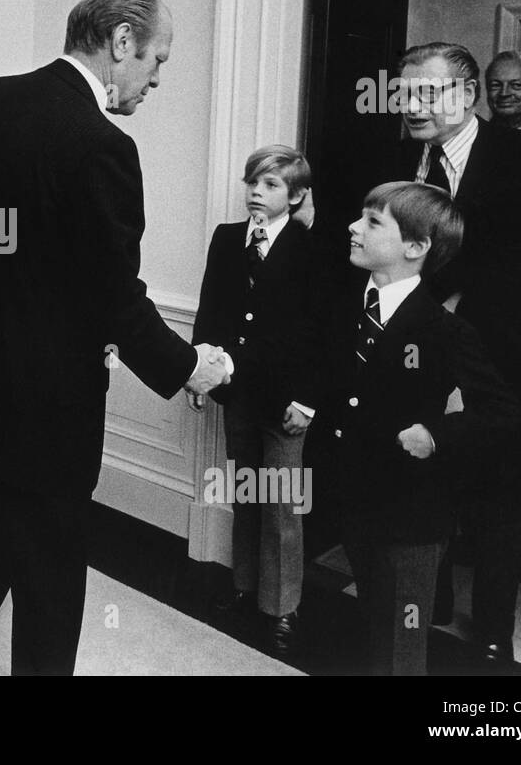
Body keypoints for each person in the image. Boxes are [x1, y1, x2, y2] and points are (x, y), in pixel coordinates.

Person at [0, 0, 231, 676]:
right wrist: (187, 365)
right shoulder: (102, 144)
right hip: (52, 410)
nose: (156, 80)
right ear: (120, 42)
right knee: (52, 591)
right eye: (157, 61)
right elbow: (113, 295)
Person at [392, 41, 521, 665]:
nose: (411, 105)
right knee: (422, 475)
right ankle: (427, 606)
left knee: (498, 496)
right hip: (414, 356)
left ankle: (493, 629)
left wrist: (465, 313)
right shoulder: (398, 159)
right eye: (405, 92)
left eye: (428, 93)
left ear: (466, 94)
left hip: (502, 358)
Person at [316, 182, 519, 675]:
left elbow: (503, 415)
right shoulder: (345, 306)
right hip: (355, 504)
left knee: (401, 647)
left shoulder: (444, 330)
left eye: (372, 222)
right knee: (372, 620)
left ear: (416, 247)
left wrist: (436, 435)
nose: (353, 227)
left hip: (412, 518)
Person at [190, 144, 326, 658]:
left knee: (283, 504)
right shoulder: (227, 240)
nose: (255, 193)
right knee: (246, 491)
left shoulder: (312, 249)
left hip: (288, 402)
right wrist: (199, 374)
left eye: (269, 185)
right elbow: (210, 310)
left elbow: (324, 334)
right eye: (252, 182)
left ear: (295, 196)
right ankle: (244, 588)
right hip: (237, 393)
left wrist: (309, 401)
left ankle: (281, 607)